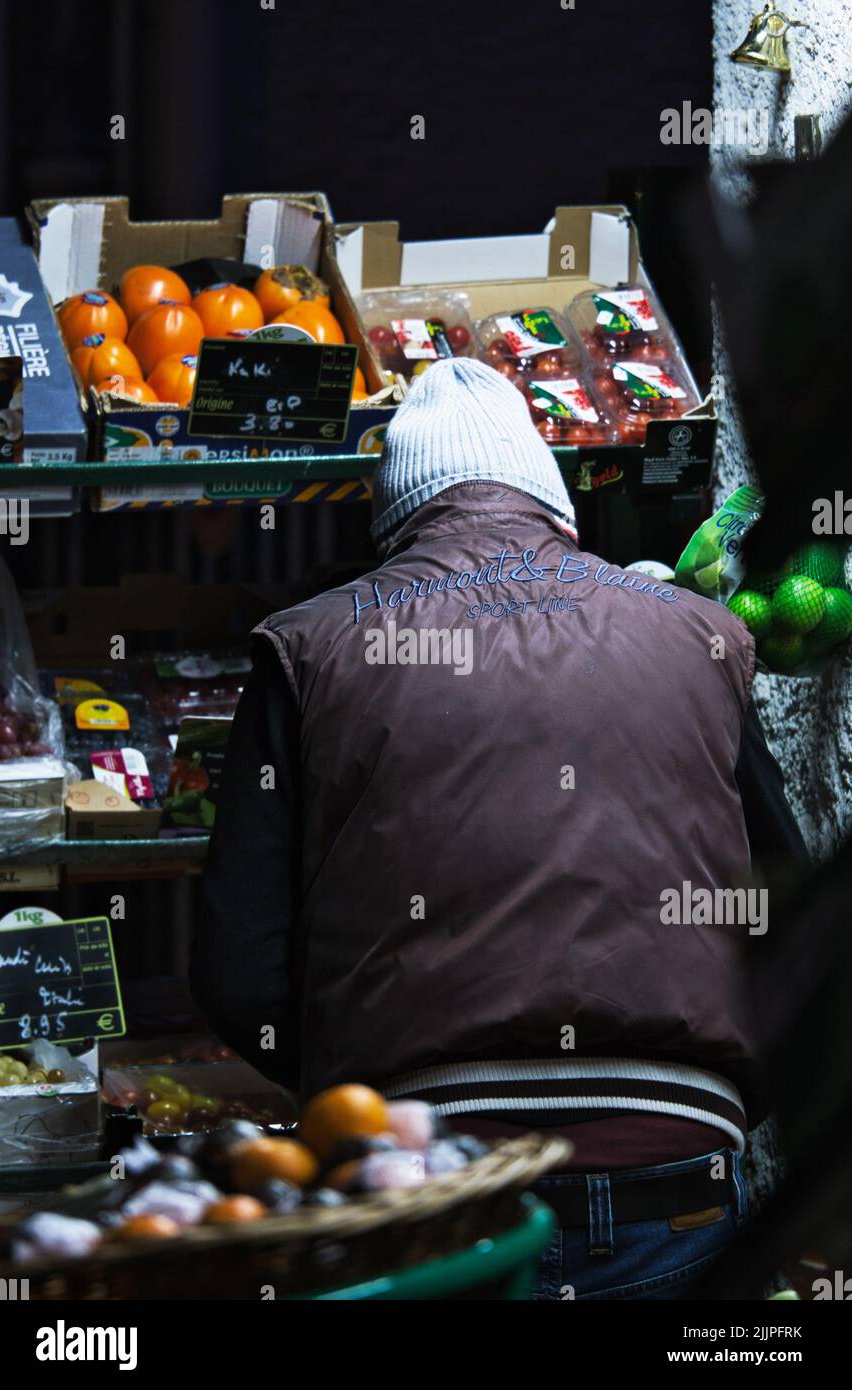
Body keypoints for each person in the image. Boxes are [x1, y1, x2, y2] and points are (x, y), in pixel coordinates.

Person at [191, 358, 807, 1300]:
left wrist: (365, 1103)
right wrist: (725, 1097)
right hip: (677, 1166)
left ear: (393, 525)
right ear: (557, 507)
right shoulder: (700, 636)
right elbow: (790, 901)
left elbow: (238, 968)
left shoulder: (309, 645)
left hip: (431, 1182)